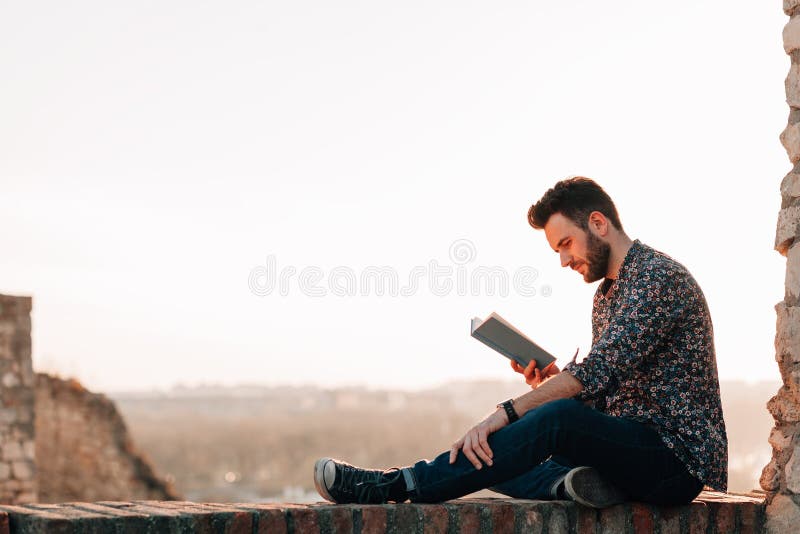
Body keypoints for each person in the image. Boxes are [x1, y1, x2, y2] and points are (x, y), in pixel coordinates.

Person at [313, 176, 728, 508]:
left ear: (598, 224)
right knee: (499, 459)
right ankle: (573, 487)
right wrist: (544, 384)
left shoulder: (657, 279)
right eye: (557, 250)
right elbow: (605, 394)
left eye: (566, 243)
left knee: (542, 423)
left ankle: (393, 485)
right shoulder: (607, 296)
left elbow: (594, 374)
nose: (564, 260)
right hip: (628, 449)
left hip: (674, 461)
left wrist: (507, 412)